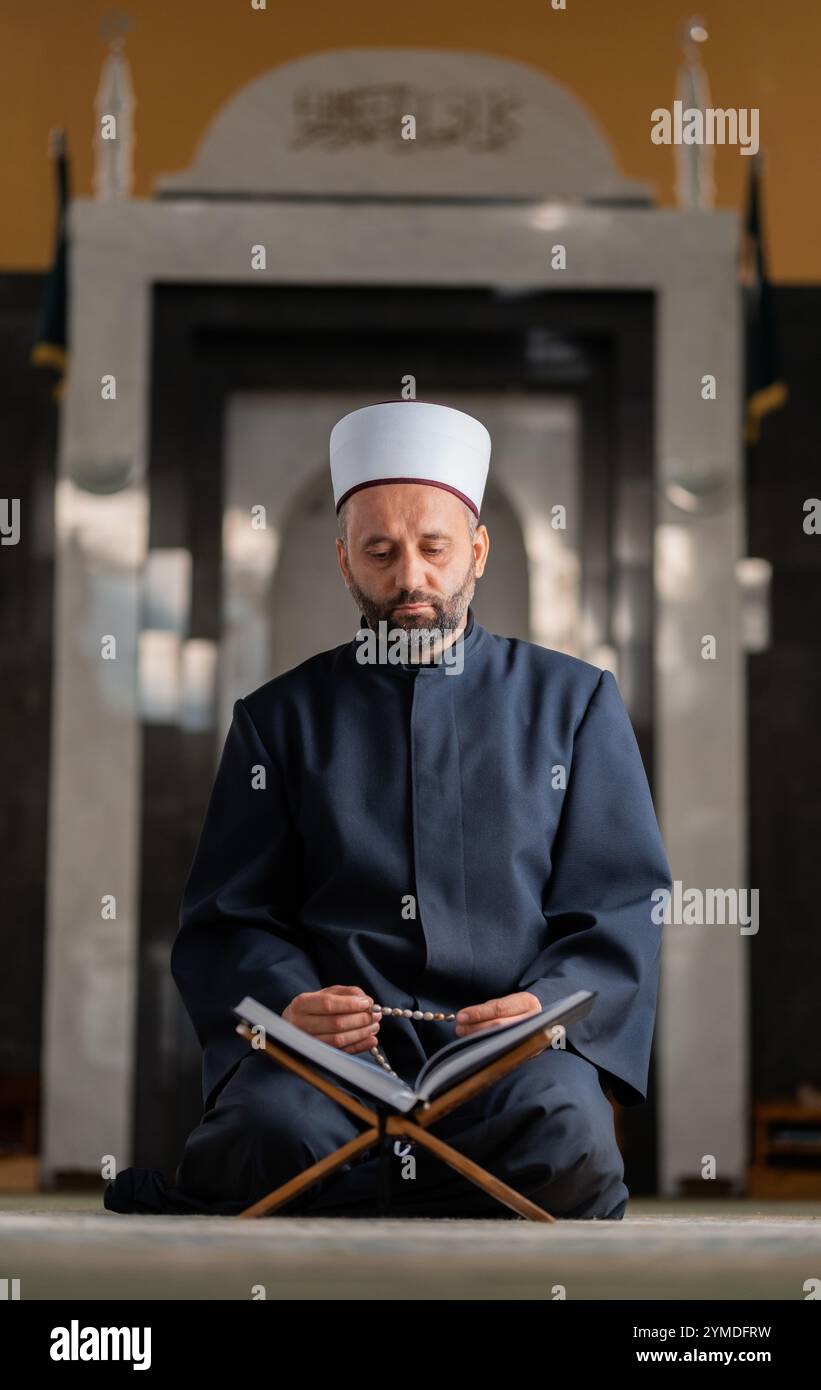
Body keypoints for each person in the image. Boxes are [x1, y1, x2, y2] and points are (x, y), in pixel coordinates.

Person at [104, 400, 671, 1220]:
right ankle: (427, 1185)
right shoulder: (277, 719)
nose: (410, 577)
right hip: (326, 1062)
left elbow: (620, 902)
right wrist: (286, 1005)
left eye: (433, 547)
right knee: (268, 1133)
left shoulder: (575, 703)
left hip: (507, 1059)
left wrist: (547, 1008)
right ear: (344, 562)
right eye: (380, 551)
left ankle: (353, 1190)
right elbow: (229, 917)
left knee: (566, 1140)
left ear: (476, 550)